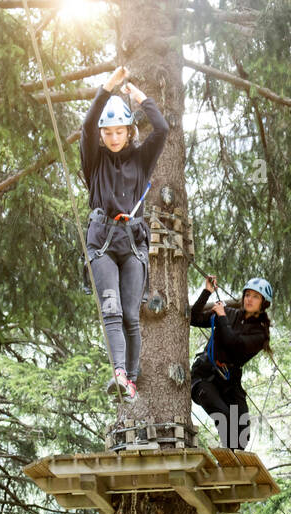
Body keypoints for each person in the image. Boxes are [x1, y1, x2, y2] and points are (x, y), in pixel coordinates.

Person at [81, 65, 168, 400]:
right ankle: (119, 373)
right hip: (102, 241)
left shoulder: (141, 159)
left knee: (132, 315)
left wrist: (140, 97)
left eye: (120, 131)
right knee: (112, 310)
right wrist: (107, 87)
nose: (114, 138)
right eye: (108, 133)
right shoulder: (94, 160)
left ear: (129, 131)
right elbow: (87, 125)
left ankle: (129, 380)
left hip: (132, 244)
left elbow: (161, 129)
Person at [189, 275, 272, 450]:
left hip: (228, 381)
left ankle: (231, 461)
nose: (249, 299)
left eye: (255, 296)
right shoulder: (229, 313)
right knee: (225, 417)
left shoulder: (260, 334)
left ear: (264, 303)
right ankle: (228, 457)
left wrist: (221, 316)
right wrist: (207, 292)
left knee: (242, 429)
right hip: (204, 377)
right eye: (247, 294)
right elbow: (193, 318)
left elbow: (233, 345)